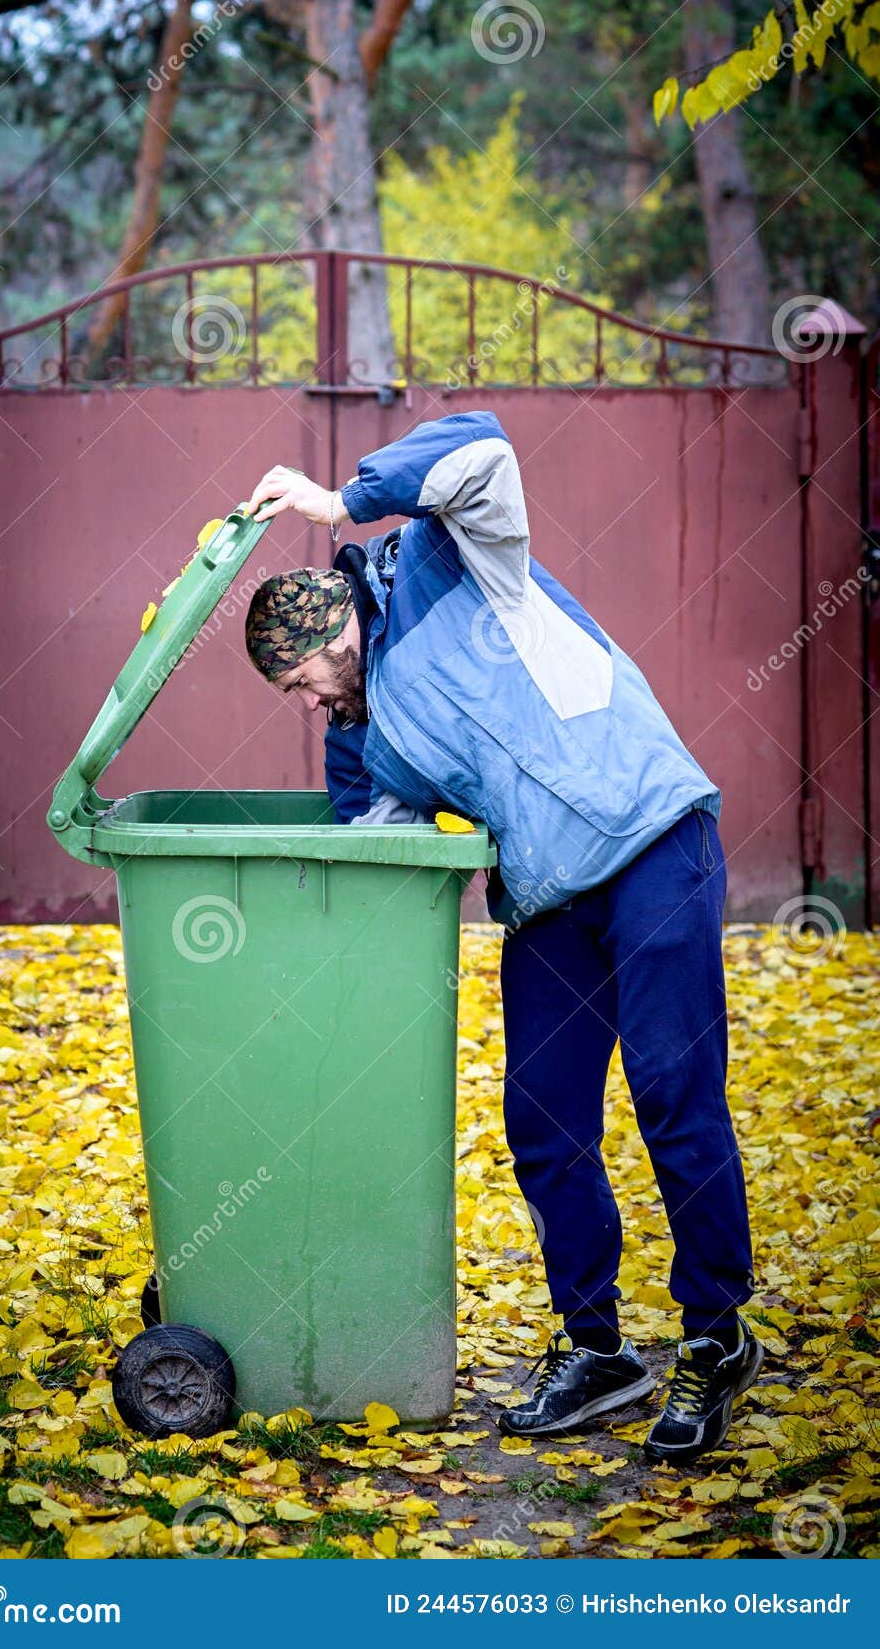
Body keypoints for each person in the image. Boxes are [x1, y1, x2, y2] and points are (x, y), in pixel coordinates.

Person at [243, 410, 761, 1465]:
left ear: (329, 629)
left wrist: (338, 497)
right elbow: (369, 850)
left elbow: (477, 442)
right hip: (543, 897)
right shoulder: (360, 735)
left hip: (651, 835)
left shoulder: (451, 555)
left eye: (300, 679)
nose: (304, 702)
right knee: (540, 1120)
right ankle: (598, 1349)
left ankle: (715, 1336)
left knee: (672, 1098)